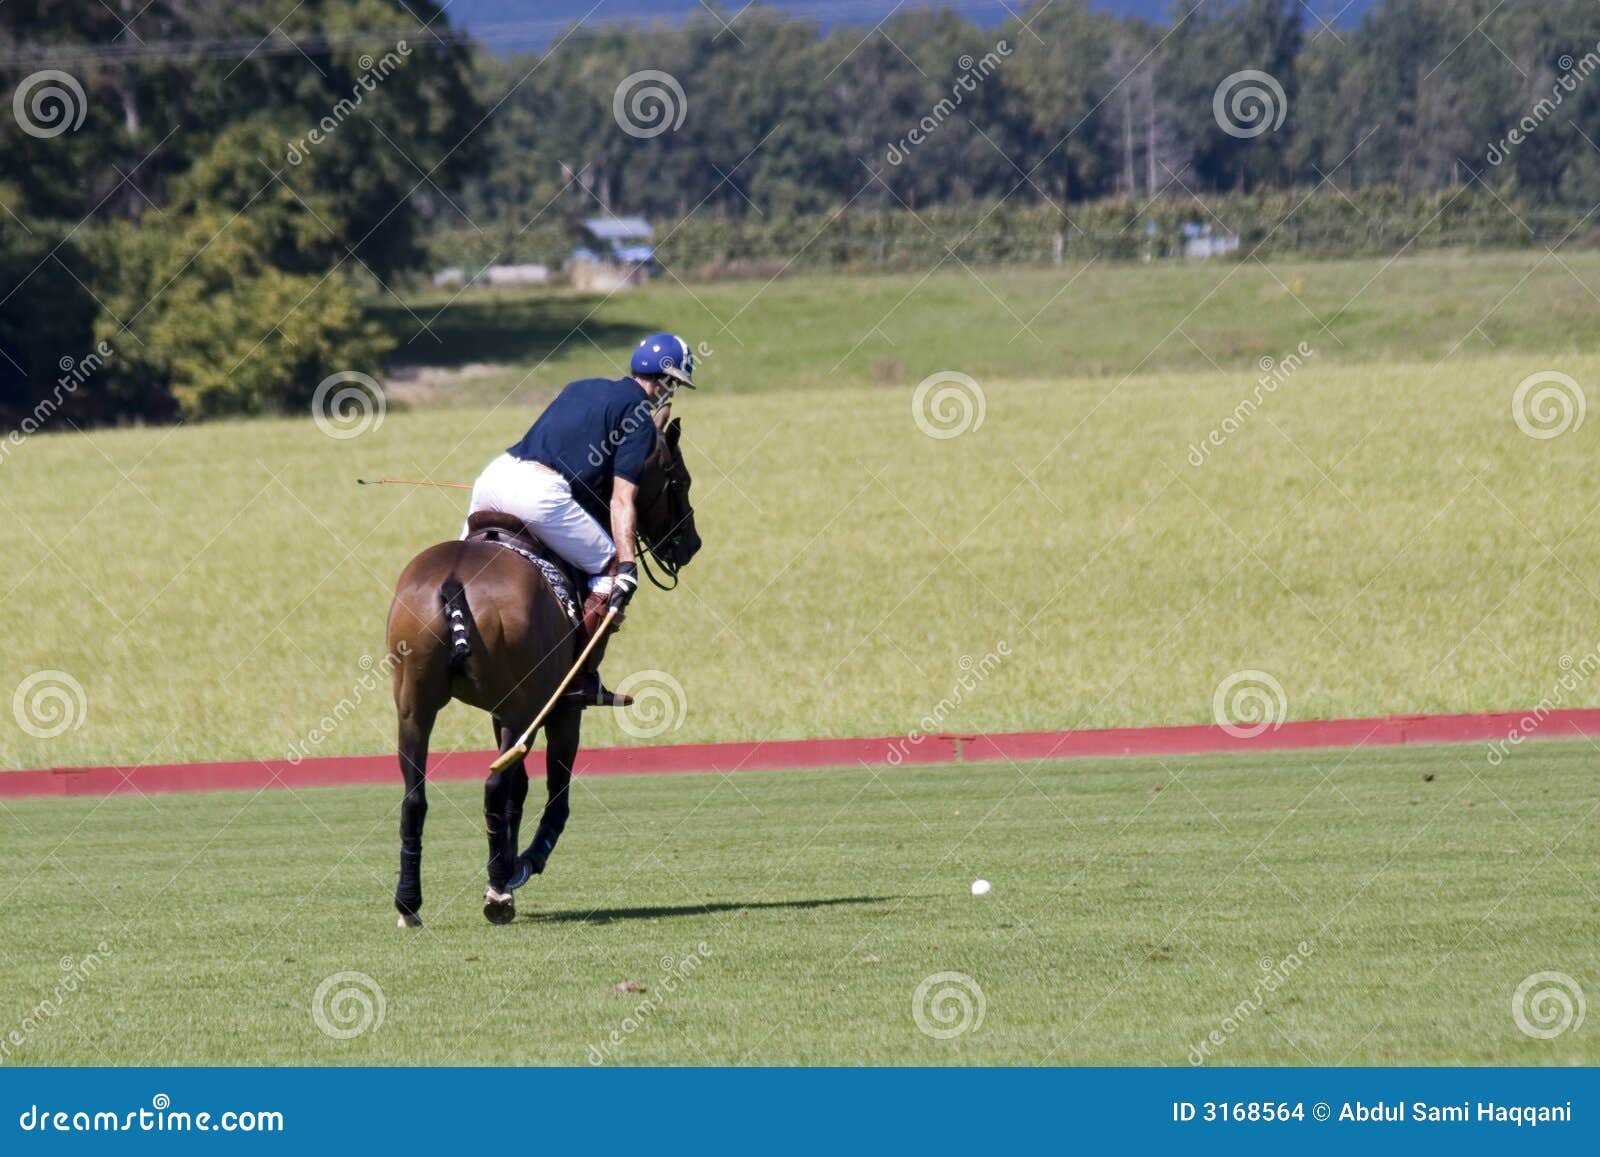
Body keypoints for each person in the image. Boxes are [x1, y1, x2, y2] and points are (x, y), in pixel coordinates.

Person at [464, 333, 695, 706]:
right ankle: (579, 677)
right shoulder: (638, 418)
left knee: (467, 564)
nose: (672, 394)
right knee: (609, 575)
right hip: (538, 494)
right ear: (666, 380)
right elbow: (622, 499)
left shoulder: (581, 386)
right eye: (676, 386)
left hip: (494, 478)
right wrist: (627, 563)